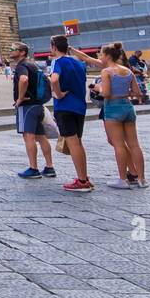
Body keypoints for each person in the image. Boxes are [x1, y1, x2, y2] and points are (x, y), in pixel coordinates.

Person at [94, 43, 147, 188]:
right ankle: (142, 179)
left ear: (108, 56)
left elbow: (106, 93)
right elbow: (137, 93)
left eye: (101, 54)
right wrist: (124, 93)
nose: (100, 56)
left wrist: (98, 87)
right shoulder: (128, 71)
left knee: (118, 145)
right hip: (128, 107)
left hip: (113, 108)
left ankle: (123, 179)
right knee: (135, 144)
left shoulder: (106, 72)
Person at [49, 34, 92, 193]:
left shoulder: (57, 62)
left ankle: (82, 181)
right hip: (79, 107)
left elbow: (54, 80)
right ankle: (84, 177)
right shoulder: (78, 63)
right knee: (78, 143)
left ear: (54, 47)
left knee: (73, 144)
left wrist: (58, 94)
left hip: (65, 107)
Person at [10, 42, 55, 179]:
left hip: (27, 106)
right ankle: (49, 167)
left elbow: (23, 80)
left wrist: (20, 98)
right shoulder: (33, 64)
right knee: (41, 137)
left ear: (22, 52)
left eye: (13, 50)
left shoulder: (22, 65)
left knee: (28, 136)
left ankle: (33, 168)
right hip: (38, 105)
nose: (10, 52)